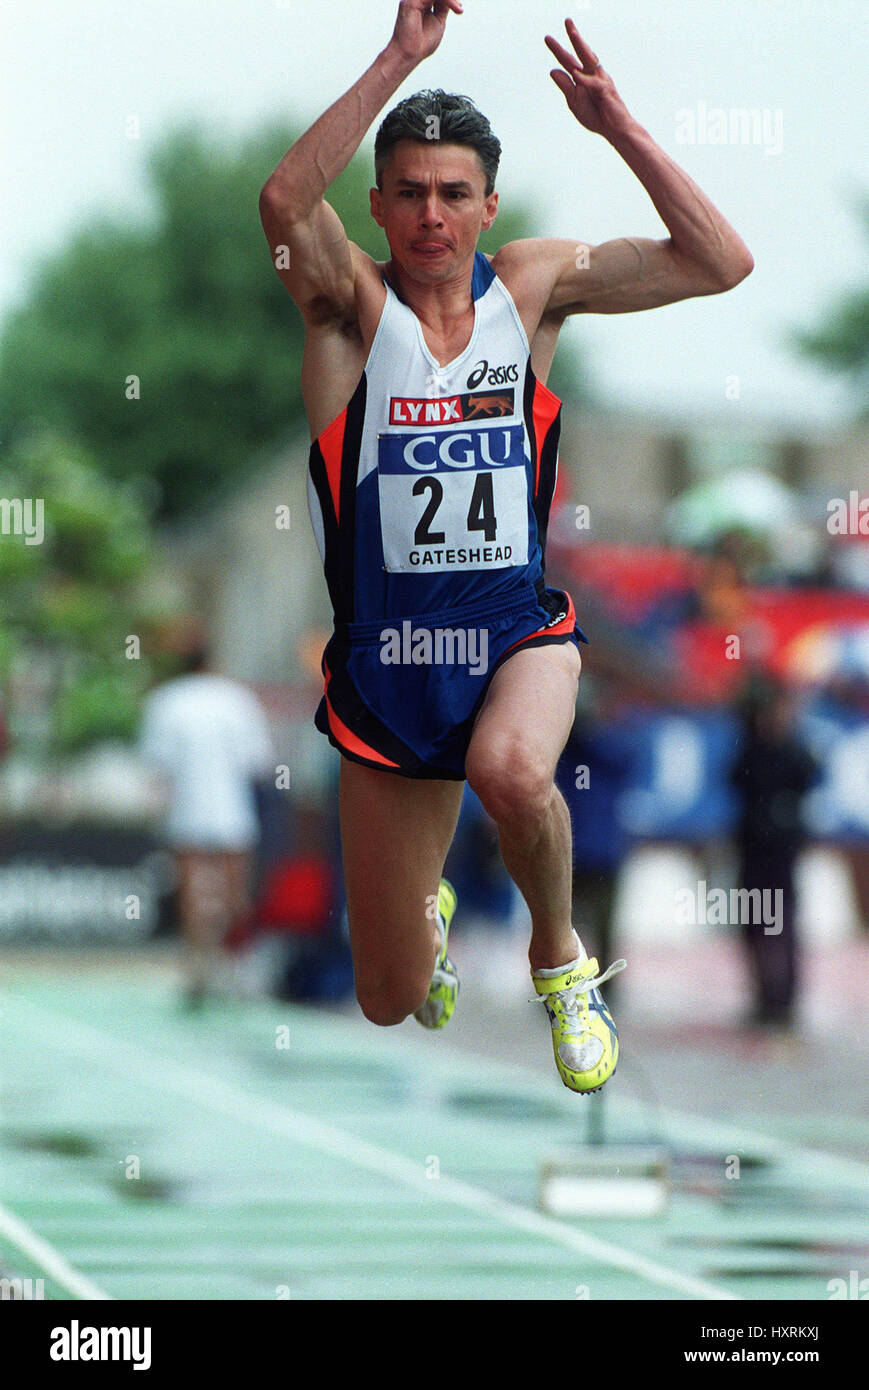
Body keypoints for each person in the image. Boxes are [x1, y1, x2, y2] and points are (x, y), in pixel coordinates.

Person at [258, 1, 753, 1092]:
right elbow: (285, 200)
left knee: (512, 769)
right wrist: (400, 56)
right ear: (379, 204)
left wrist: (616, 124)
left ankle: (560, 961)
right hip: (387, 666)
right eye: (410, 192)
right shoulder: (347, 309)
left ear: (488, 203)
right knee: (387, 999)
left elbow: (719, 262)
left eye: (453, 193)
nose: (432, 213)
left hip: (514, 628)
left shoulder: (528, 288)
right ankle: (425, 921)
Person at [139, 642, 275, 1007]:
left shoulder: (166, 701)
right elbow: (259, 763)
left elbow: (158, 769)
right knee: (235, 893)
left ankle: (203, 964)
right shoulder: (237, 700)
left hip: (188, 813)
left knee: (194, 893)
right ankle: (233, 964)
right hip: (233, 813)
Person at [730, 676, 818, 1032]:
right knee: (756, 927)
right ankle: (765, 998)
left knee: (780, 928)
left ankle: (782, 1001)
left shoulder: (792, 752)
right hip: (754, 854)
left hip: (780, 857)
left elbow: (808, 773)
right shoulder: (752, 750)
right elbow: (737, 777)